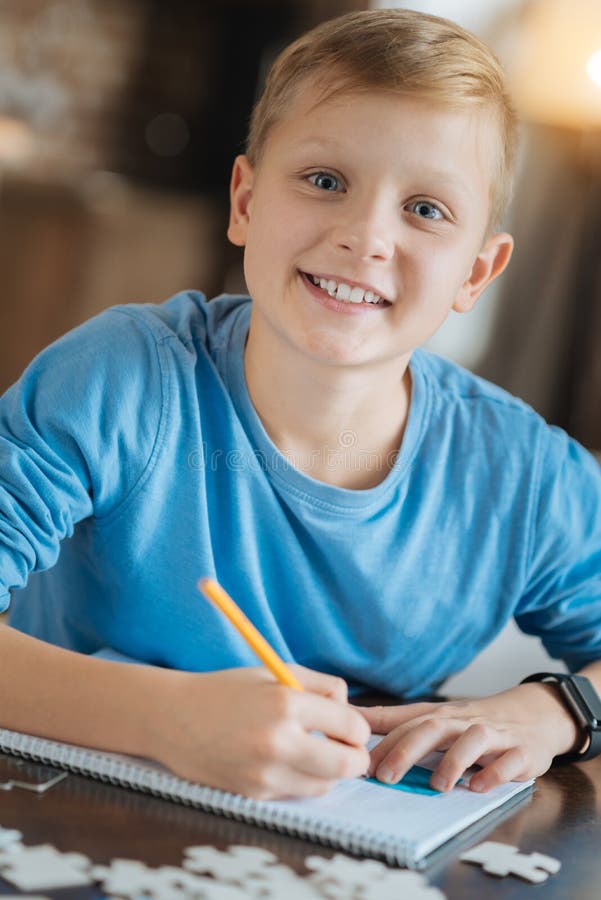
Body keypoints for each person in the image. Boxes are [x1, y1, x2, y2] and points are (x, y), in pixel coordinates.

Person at [1, 8, 601, 802]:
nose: (365, 236)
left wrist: (555, 707)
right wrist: (164, 720)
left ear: (476, 274)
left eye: (425, 209)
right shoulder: (120, 378)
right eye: (324, 181)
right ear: (245, 201)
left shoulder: (520, 474)